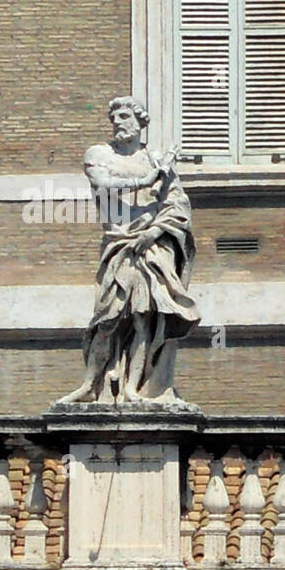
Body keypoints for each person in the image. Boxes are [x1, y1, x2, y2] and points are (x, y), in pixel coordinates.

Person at [58, 96, 200, 406]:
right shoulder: (100, 154)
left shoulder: (156, 159)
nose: (118, 122)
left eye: (125, 116)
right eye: (115, 118)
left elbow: (178, 207)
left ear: (140, 121)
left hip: (150, 248)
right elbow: (103, 183)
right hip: (119, 245)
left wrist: (152, 233)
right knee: (107, 318)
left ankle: (134, 389)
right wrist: (148, 179)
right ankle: (90, 384)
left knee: (143, 318)